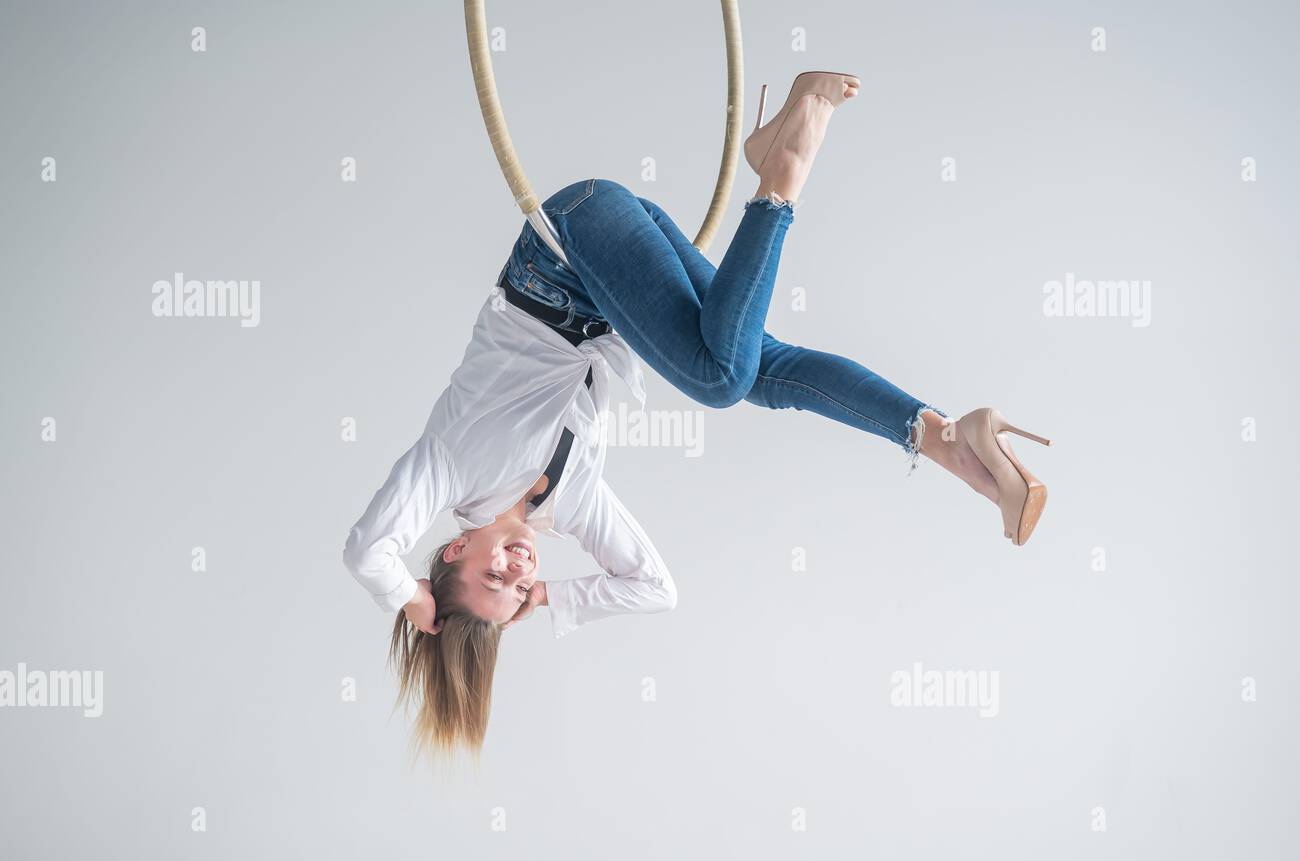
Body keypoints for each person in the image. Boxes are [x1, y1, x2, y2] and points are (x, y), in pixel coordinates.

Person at [342, 71, 1051, 755]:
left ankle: (785, 166)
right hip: (612, 281)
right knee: (761, 373)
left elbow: (366, 550)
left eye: (493, 576)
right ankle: (951, 439)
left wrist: (412, 601)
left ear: (455, 551)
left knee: (719, 379)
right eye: (518, 587)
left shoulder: (451, 467)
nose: (517, 570)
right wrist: (549, 599)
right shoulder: (571, 505)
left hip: (568, 246)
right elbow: (655, 588)